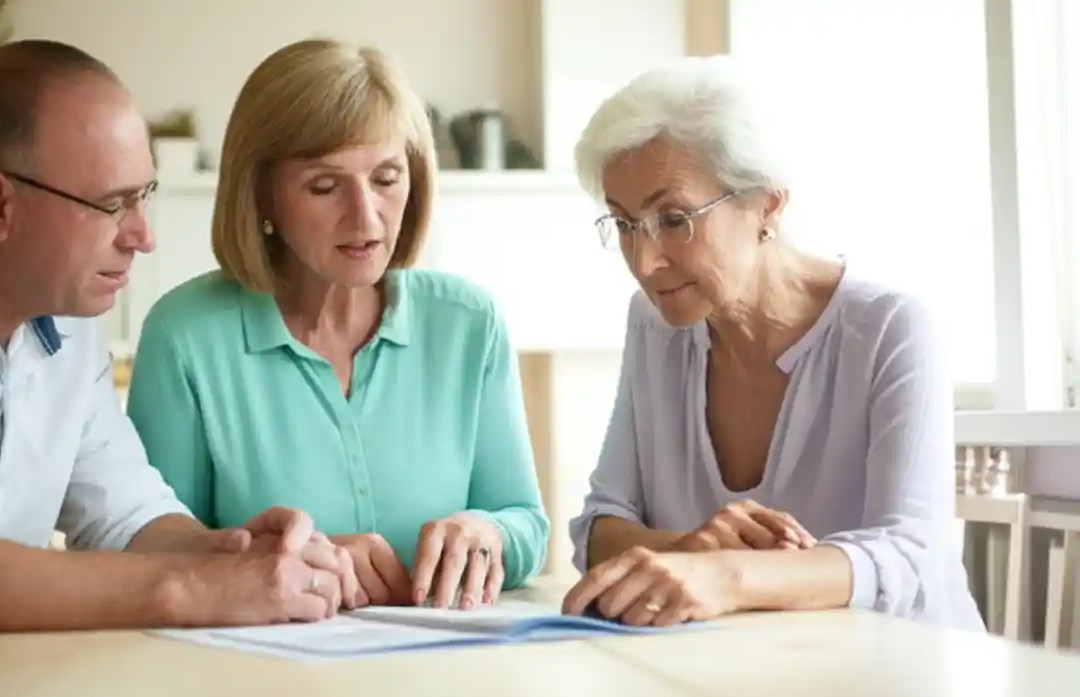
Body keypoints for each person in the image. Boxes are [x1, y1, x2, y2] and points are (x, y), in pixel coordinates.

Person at [0, 40, 357, 687]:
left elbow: (127, 517)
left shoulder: (63, 319)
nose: (143, 235)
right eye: (112, 204)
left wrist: (246, 555)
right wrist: (188, 589)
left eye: (143, 195)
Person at [559, 56, 983, 631]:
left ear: (768, 204)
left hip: (906, 678)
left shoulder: (890, 326)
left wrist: (728, 575)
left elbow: (914, 556)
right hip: (753, 672)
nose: (644, 261)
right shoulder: (653, 324)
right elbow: (599, 528)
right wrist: (691, 550)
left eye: (674, 218)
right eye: (626, 224)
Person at [126, 39, 549, 612]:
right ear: (262, 196)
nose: (366, 216)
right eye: (325, 186)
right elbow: (150, 554)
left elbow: (526, 525)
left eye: (386, 177)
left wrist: (488, 533)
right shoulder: (185, 336)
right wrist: (290, 564)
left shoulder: (469, 323)